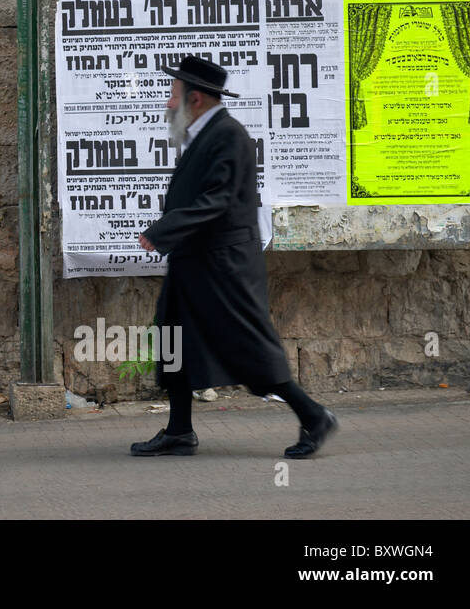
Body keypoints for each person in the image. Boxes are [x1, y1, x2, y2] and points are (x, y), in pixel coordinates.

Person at [131, 56, 338, 459]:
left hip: (223, 266)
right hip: (195, 261)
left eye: (174, 96)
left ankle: (314, 416)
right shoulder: (206, 133)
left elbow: (217, 200)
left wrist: (161, 232)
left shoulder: (227, 135)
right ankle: (178, 430)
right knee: (174, 339)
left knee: (248, 346)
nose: (168, 105)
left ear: (197, 99)